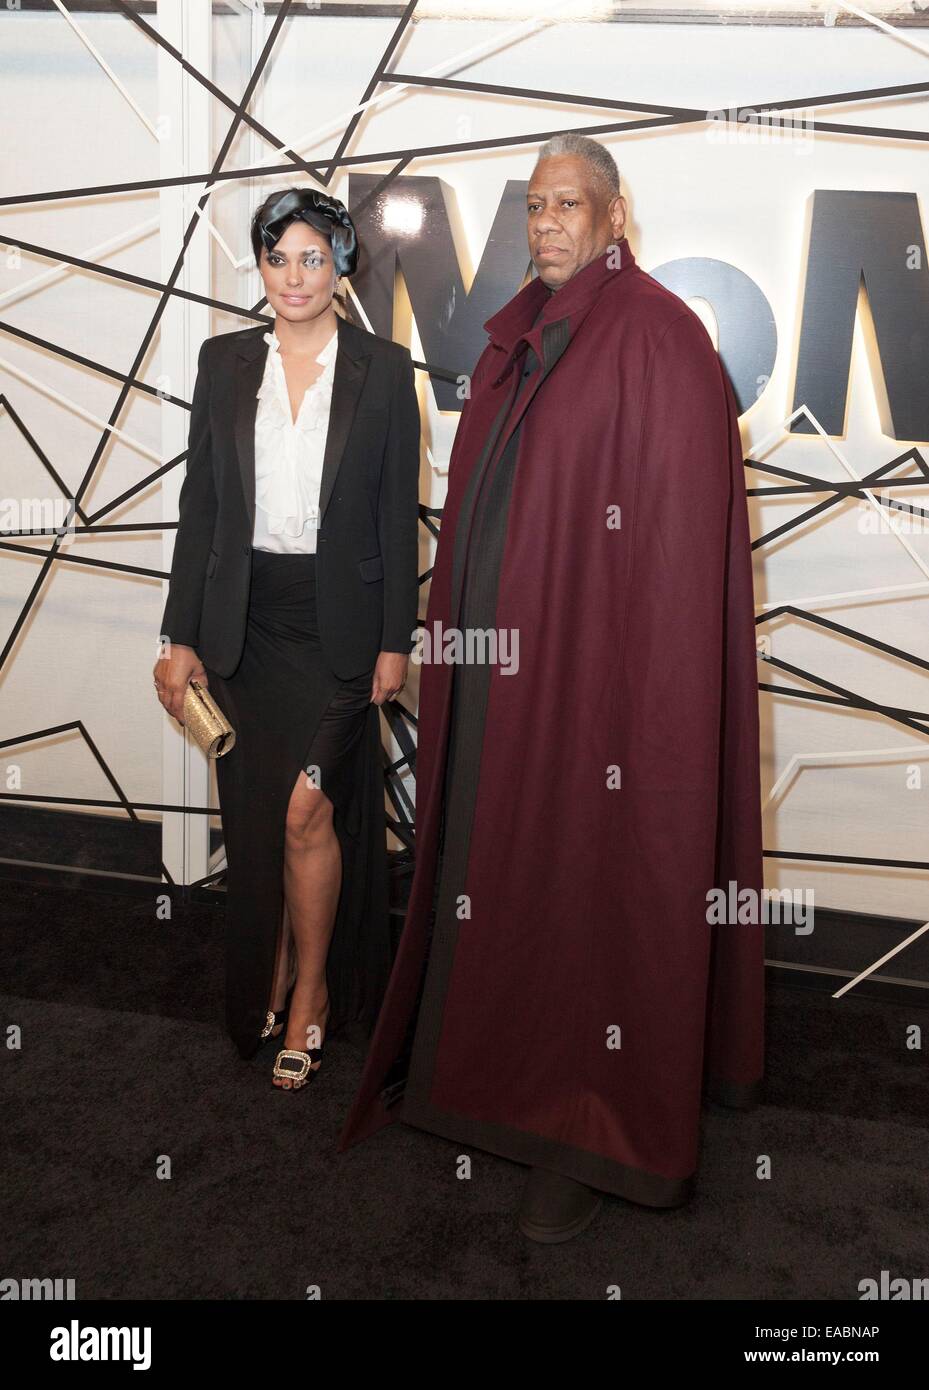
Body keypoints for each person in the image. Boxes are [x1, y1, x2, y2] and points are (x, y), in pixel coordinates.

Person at [339, 134, 764, 1239]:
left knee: (596, 885)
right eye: (533, 207)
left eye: (567, 205)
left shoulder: (663, 343)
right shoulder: (514, 339)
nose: (546, 225)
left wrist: (621, 707)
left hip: (601, 704)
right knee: (503, 866)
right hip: (500, 683)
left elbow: (670, 579)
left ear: (615, 215)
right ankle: (487, 1078)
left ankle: (593, 1126)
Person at [154, 187, 421, 1090]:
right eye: (278, 258)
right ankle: (266, 970)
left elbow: (394, 515)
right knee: (259, 822)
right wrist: (178, 632)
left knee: (310, 810)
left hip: (338, 629)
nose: (294, 276)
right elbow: (200, 510)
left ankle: (310, 992)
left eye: (313, 257)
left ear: (340, 264)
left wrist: (396, 641)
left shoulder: (383, 371)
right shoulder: (223, 361)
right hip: (244, 626)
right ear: (259, 267)